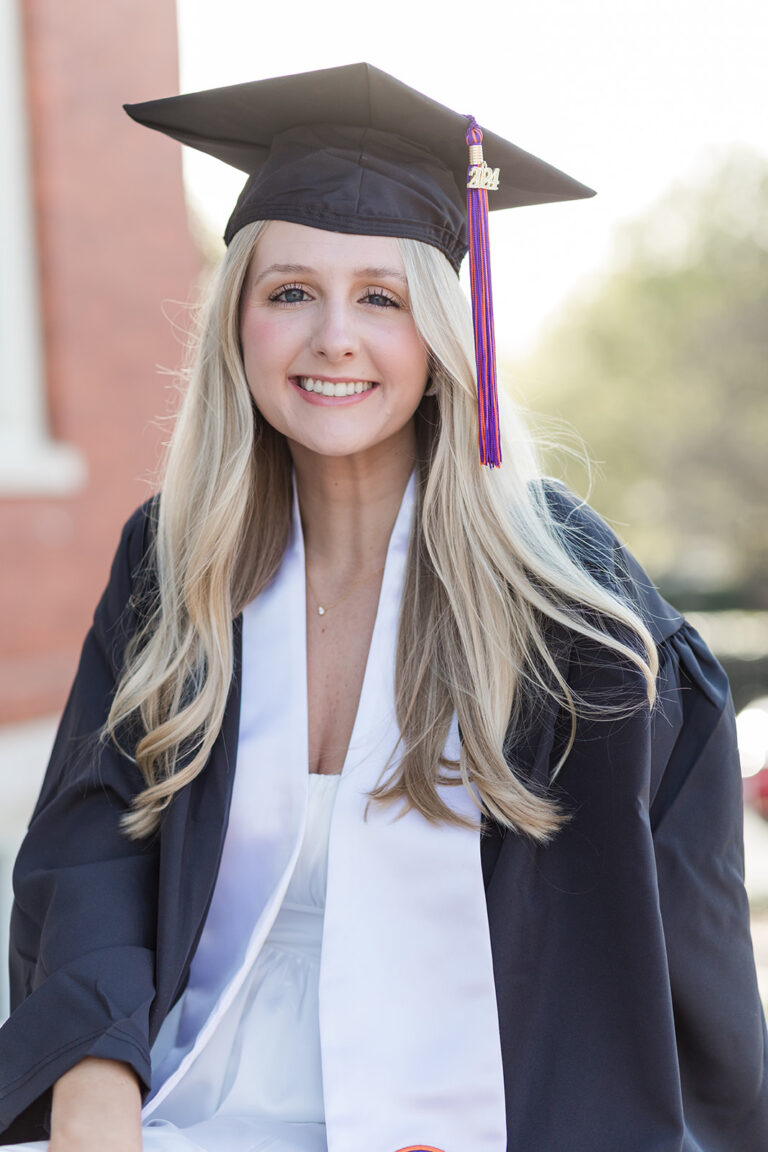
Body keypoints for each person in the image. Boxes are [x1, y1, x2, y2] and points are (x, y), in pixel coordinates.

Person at [0, 62, 765, 1152]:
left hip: (474, 1117)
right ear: (238, 324)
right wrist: (91, 1084)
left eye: (380, 298)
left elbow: (666, 922)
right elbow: (91, 846)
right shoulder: (174, 561)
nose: (333, 340)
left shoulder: (567, 601)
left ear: (447, 337)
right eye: (289, 292)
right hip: (187, 1088)